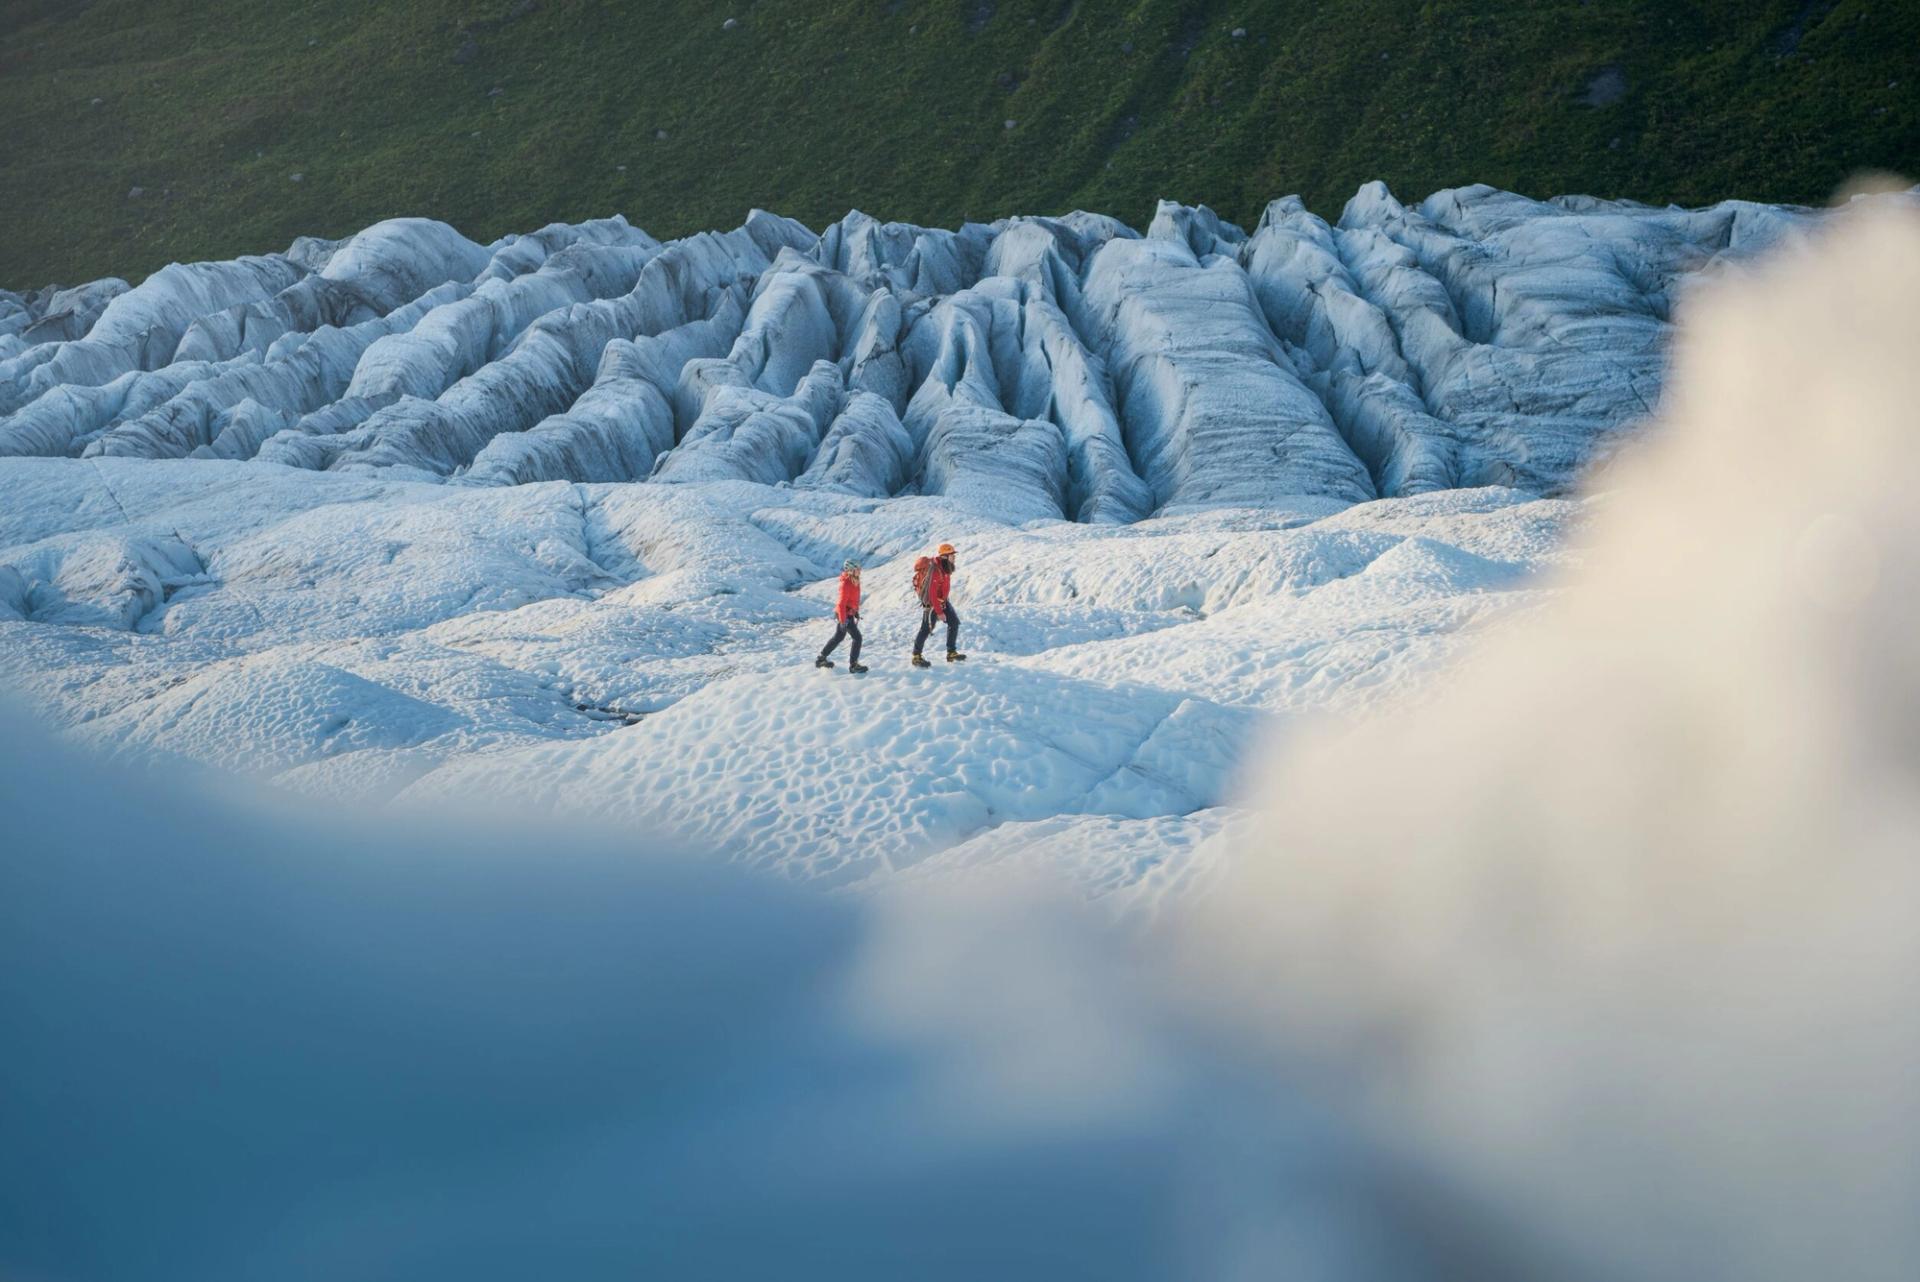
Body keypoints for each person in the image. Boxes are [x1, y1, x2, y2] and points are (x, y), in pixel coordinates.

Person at [911, 542, 966, 668]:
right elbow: (931, 594)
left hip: (943, 601)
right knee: (926, 629)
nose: (954, 557)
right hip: (932, 605)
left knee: (954, 623)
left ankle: (951, 653)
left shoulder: (946, 567)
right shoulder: (936, 570)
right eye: (952, 555)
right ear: (945, 556)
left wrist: (944, 605)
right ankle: (916, 656)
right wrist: (939, 612)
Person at [815, 559, 867, 673]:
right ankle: (853, 665)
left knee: (838, 637)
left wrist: (855, 611)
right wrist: (843, 621)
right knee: (857, 638)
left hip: (848, 613)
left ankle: (821, 658)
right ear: (851, 570)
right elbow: (841, 604)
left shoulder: (855, 581)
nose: (860, 570)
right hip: (844, 614)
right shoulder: (846, 583)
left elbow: (852, 600)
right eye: (857, 569)